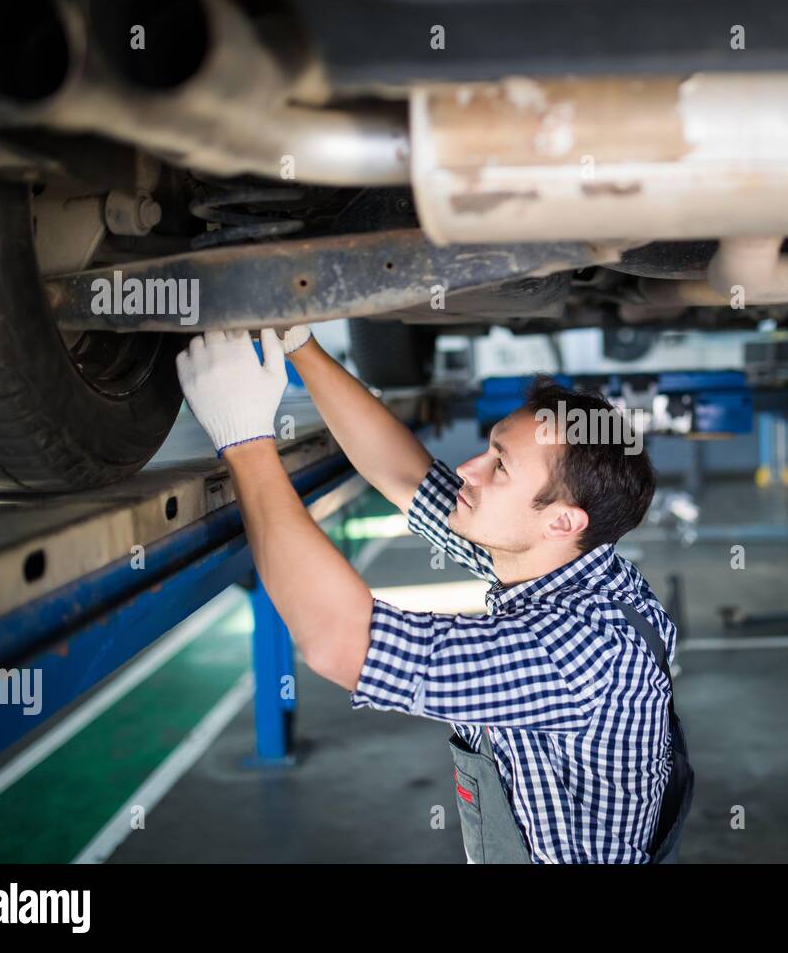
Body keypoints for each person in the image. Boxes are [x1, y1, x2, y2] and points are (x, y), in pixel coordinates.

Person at [175, 326, 693, 863]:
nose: (468, 469)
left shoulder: (575, 651)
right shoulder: (564, 561)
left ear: (563, 520)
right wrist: (298, 343)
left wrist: (245, 441)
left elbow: (342, 642)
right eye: (490, 448)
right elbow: (405, 475)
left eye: (499, 466)